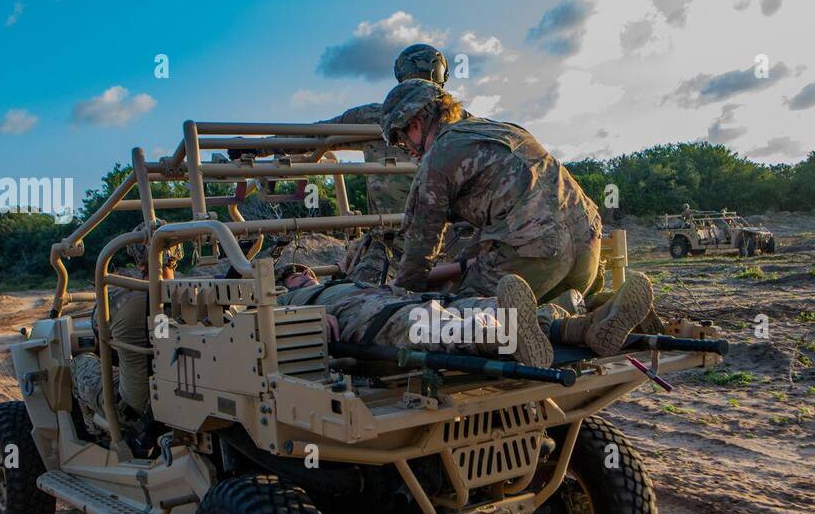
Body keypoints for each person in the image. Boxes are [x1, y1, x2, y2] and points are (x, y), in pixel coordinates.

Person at [379, 79, 602, 302]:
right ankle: (594, 313)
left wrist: (403, 297)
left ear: (415, 124)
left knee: (461, 318)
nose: (407, 150)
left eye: (401, 139)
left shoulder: (439, 155)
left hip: (535, 254)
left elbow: (421, 243)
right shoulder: (499, 129)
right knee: (547, 311)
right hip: (587, 244)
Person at [277, 267, 656, 363]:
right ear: (289, 281)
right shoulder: (290, 298)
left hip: (403, 299)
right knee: (429, 328)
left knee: (485, 305)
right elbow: (254, 324)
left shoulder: (349, 279)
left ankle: (583, 329)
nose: (307, 272)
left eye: (307, 270)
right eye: (299, 272)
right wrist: (309, 318)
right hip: (368, 321)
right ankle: (506, 340)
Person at [71, 223, 182, 433]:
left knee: (80, 363)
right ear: (177, 253)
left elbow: (98, 329)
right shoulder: (200, 293)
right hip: (187, 400)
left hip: (138, 406)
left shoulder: (118, 298)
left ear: (139, 261)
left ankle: (99, 434)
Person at [320, 44, 453, 215]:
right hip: (450, 236)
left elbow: (313, 135)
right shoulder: (461, 121)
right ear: (442, 76)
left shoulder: (371, 116)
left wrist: (277, 148)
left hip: (388, 236)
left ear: (400, 74)